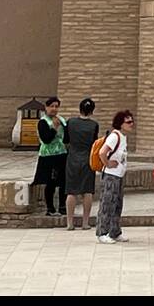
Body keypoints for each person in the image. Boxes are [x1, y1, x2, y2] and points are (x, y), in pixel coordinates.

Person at [96, 110, 134, 243]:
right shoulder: (115, 136)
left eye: (132, 121)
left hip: (119, 175)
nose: (131, 124)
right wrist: (107, 163)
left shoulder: (123, 137)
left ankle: (115, 231)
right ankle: (102, 232)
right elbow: (102, 152)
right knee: (108, 204)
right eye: (128, 122)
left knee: (117, 204)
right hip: (111, 175)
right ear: (120, 123)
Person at [63, 97, 99, 230]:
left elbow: (65, 139)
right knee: (87, 191)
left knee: (71, 191)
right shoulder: (94, 125)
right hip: (87, 158)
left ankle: (70, 223)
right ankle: (85, 222)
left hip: (73, 158)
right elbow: (94, 142)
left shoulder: (70, 122)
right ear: (92, 111)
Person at [33, 96, 67, 217]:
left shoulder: (61, 120)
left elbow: (66, 137)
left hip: (61, 154)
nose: (54, 109)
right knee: (50, 182)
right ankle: (50, 208)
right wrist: (53, 128)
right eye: (51, 106)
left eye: (56, 106)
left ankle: (63, 207)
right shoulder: (43, 122)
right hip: (48, 155)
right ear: (46, 107)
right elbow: (46, 139)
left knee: (63, 181)